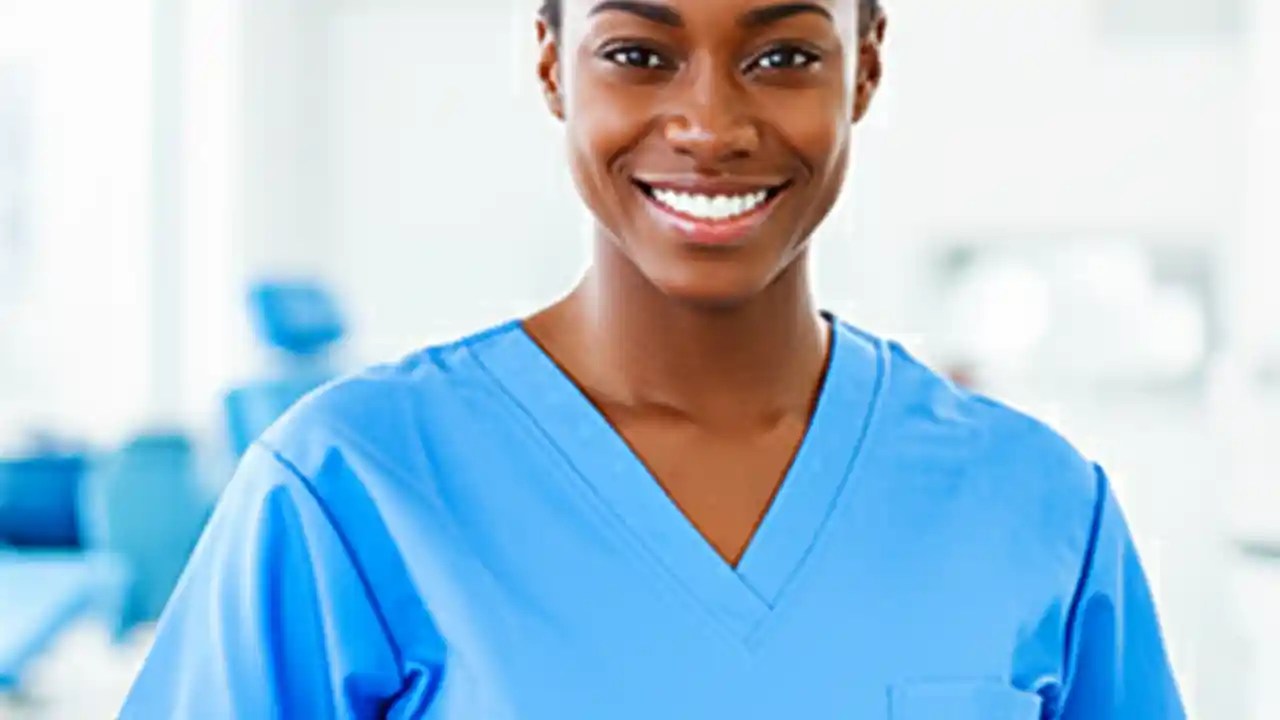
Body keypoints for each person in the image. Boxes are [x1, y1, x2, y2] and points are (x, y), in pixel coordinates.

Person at [120, 0, 1186, 717]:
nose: (710, 124)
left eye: (782, 57)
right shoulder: (347, 489)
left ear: (862, 69)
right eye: (638, 53)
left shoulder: (1035, 504)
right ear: (550, 62)